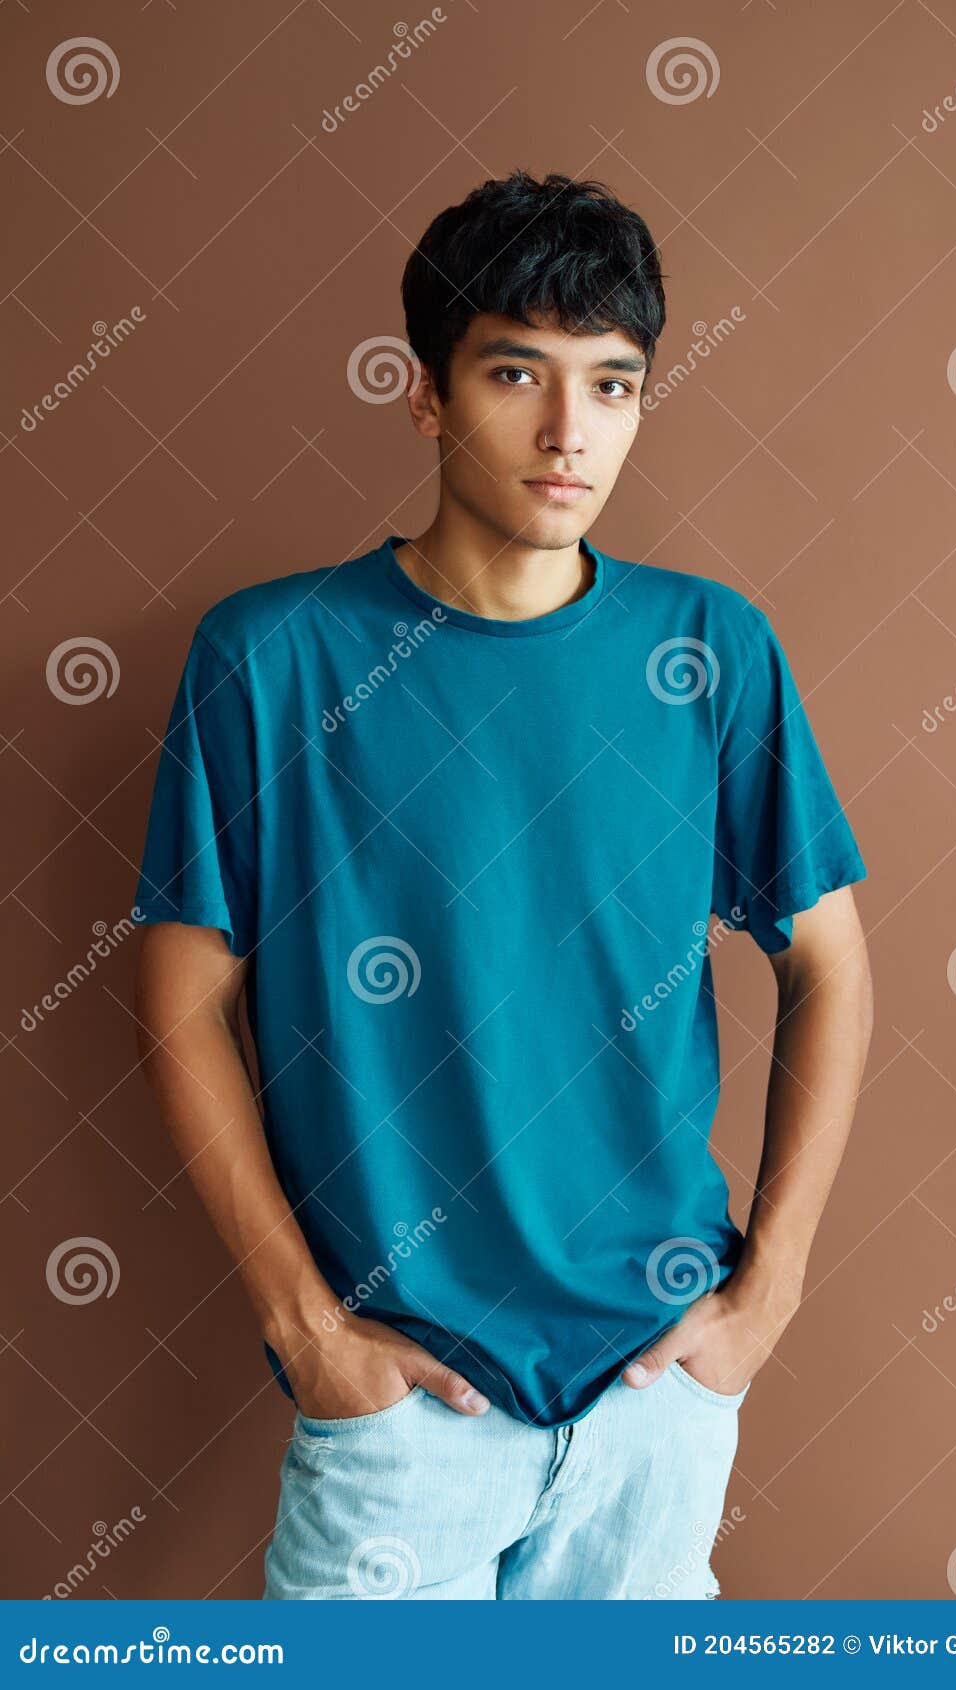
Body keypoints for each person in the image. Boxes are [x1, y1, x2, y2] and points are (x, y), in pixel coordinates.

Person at [132, 169, 874, 1601]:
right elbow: (176, 1003)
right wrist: (306, 1327)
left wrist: (765, 1293)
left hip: (655, 1394)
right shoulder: (271, 657)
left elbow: (830, 959)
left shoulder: (709, 650)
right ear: (426, 395)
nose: (567, 431)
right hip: (401, 1408)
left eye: (613, 384)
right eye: (517, 372)